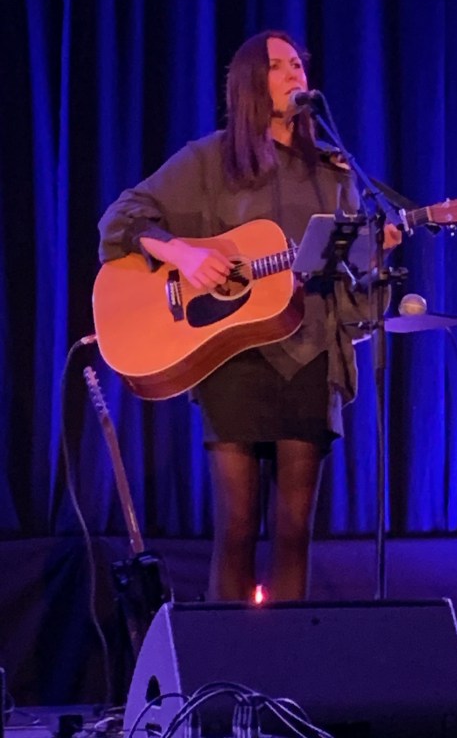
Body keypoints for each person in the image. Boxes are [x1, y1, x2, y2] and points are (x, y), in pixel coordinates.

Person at [98, 30, 400, 601]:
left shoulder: (335, 173)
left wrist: (373, 250)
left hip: (308, 352)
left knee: (294, 534)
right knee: (236, 529)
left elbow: (350, 284)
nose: (296, 74)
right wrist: (183, 251)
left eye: (298, 64)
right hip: (233, 358)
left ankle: (284, 675)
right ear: (250, 83)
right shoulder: (212, 158)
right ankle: (224, 677)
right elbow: (122, 217)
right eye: (280, 65)